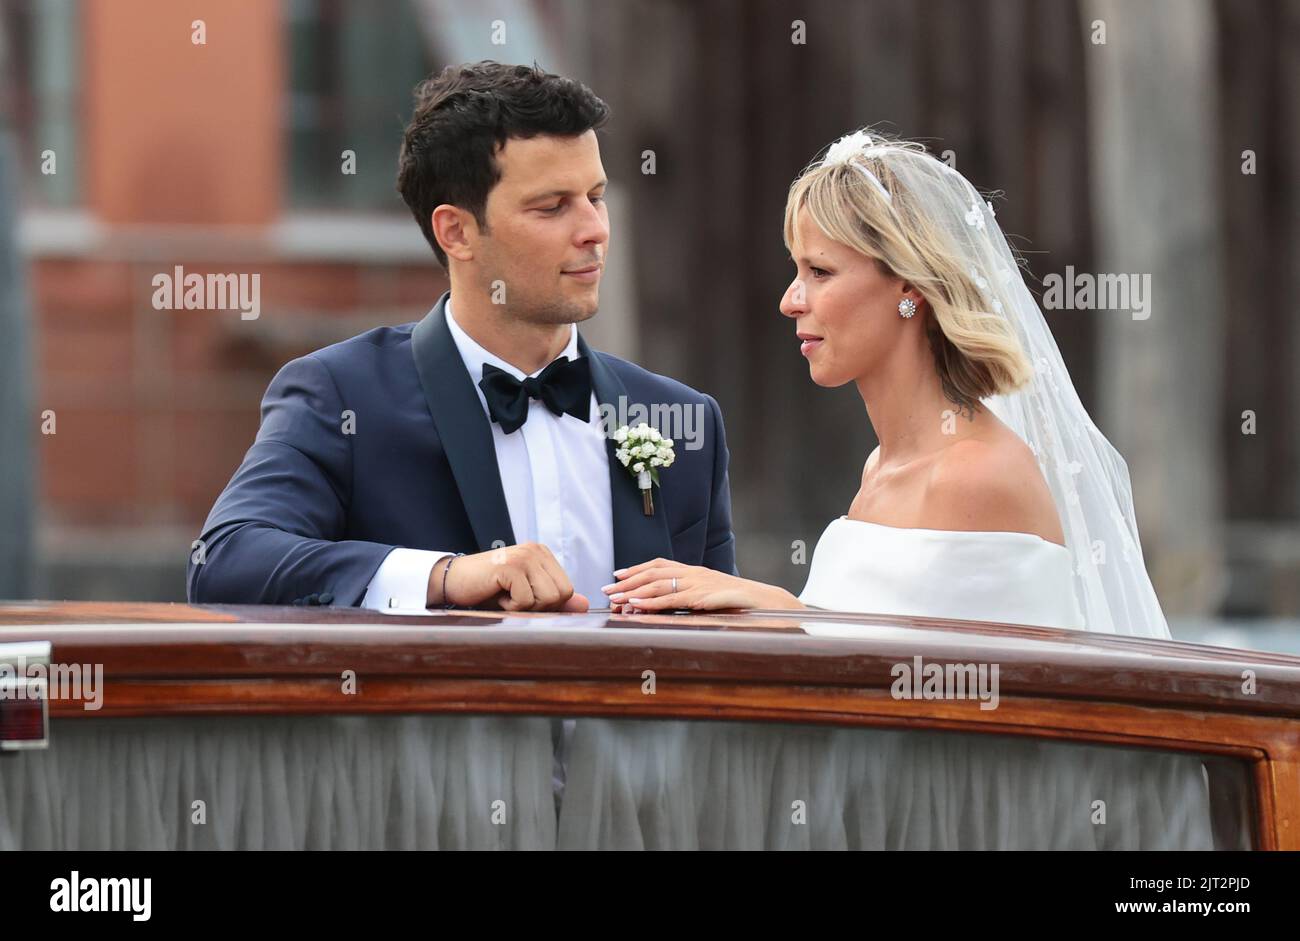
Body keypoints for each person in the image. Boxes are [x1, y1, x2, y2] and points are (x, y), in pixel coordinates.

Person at [187, 61, 737, 611]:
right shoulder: (341, 395)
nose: (594, 230)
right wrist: (445, 577)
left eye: (596, 197)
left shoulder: (684, 419)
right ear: (456, 231)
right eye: (552, 207)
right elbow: (227, 560)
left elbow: (725, 654)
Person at [603, 129, 1170, 639]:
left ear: (910, 285)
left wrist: (782, 611)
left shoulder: (974, 474)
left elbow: (1000, 715)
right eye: (796, 271)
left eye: (820, 272)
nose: (789, 300)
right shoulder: (880, 468)